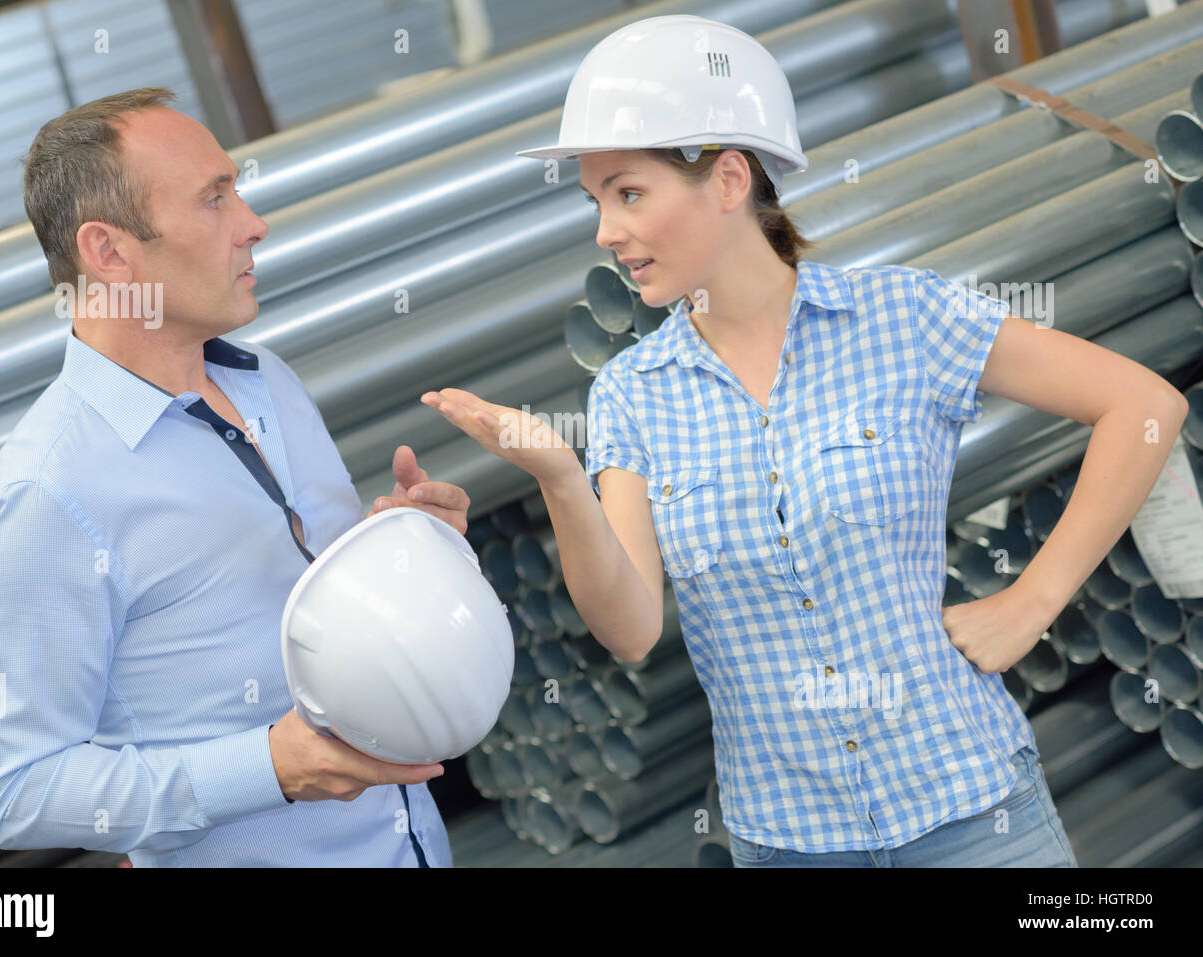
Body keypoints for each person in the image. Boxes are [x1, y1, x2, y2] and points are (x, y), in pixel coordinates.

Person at [421, 15, 1189, 867]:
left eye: (628, 192)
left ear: (728, 178)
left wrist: (1032, 601)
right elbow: (631, 629)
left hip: (973, 811)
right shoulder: (631, 396)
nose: (605, 230)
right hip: (791, 840)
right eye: (595, 201)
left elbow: (1142, 403)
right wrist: (563, 482)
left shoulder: (901, 318)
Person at [0, 87, 471, 867]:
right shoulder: (46, 496)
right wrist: (266, 767)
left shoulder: (268, 380)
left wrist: (403, 549)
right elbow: (16, 789)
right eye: (214, 198)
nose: (253, 223)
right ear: (109, 251)